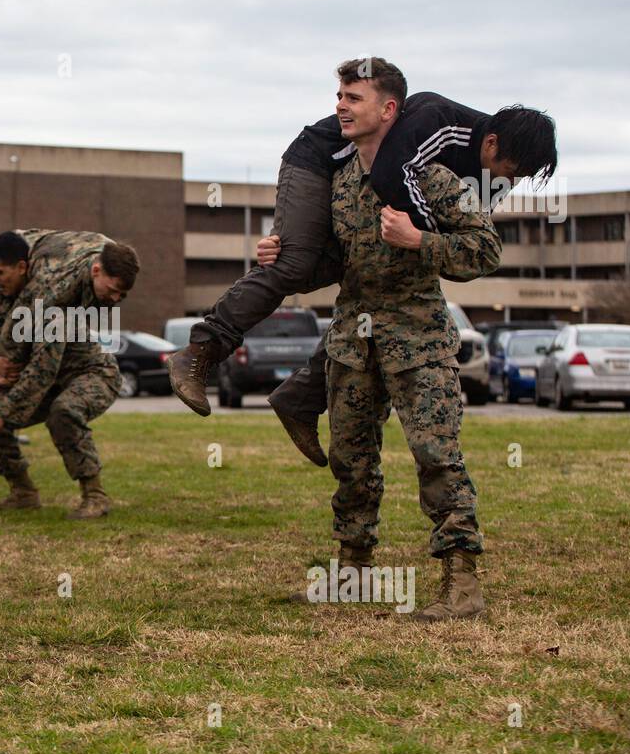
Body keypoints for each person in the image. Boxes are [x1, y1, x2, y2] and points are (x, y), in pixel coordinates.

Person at [167, 81, 557, 467]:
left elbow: (464, 247)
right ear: (491, 144)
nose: (511, 181)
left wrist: (422, 242)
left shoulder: (492, 179)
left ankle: (301, 396)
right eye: (512, 170)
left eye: (521, 177)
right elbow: (389, 174)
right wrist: (416, 237)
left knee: (367, 279)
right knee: (293, 263)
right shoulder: (438, 120)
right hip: (318, 159)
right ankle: (200, 352)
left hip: (361, 181)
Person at [293, 57, 498, 621]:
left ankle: (462, 581)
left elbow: (485, 249)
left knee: (436, 455)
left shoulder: (430, 177)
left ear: (388, 109)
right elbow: (336, 261)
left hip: (418, 340)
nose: (339, 105)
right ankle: (353, 569)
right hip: (352, 340)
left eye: (352, 97)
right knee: (351, 458)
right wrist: (286, 259)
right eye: (338, 94)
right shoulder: (339, 183)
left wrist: (418, 240)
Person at [0, 230, 138, 518]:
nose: (117, 299)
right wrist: (0, 363)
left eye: (123, 294)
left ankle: (94, 495)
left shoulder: (56, 311)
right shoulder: (47, 294)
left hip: (94, 374)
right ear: (96, 270)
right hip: (52, 371)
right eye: (114, 289)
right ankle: (22, 493)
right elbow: (20, 344)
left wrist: (4, 411)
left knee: (64, 411)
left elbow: (40, 374)